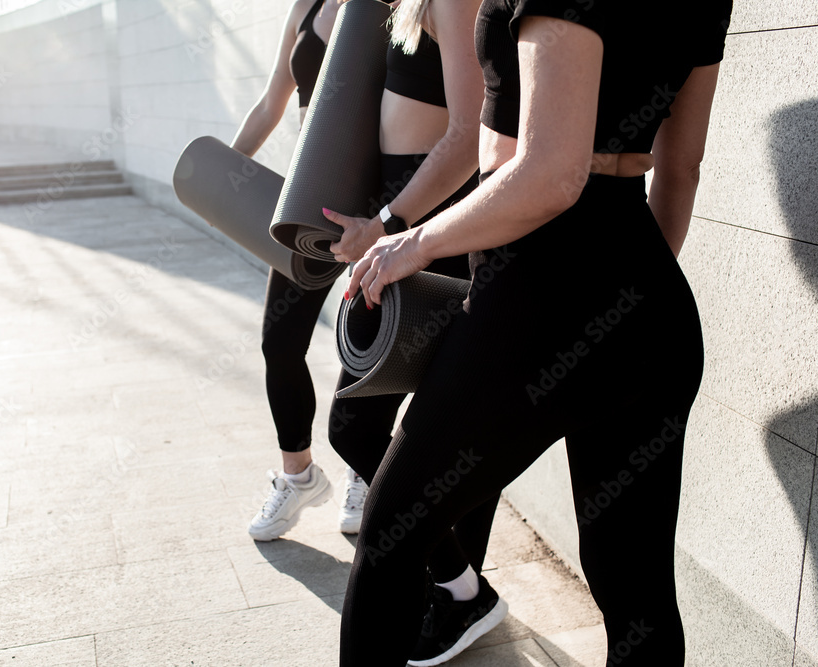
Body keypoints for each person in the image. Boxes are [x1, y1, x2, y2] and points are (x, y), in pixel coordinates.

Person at [339, 0, 733, 664]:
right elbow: (681, 167)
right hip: (649, 296)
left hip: (539, 285)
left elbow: (553, 173)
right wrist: (624, 303)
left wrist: (415, 242)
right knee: (635, 590)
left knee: (392, 536)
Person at [320, 0, 510, 663]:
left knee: (357, 425)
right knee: (407, 430)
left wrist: (395, 224)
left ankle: (462, 591)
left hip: (430, 226)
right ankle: (460, 587)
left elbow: (465, 132)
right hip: (407, 217)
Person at [230, 0, 361, 541]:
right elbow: (271, 103)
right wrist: (223, 174)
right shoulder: (306, 6)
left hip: (375, 201)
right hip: (308, 199)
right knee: (279, 343)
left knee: (366, 341)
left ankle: (364, 470)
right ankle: (298, 475)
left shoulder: (396, 6)